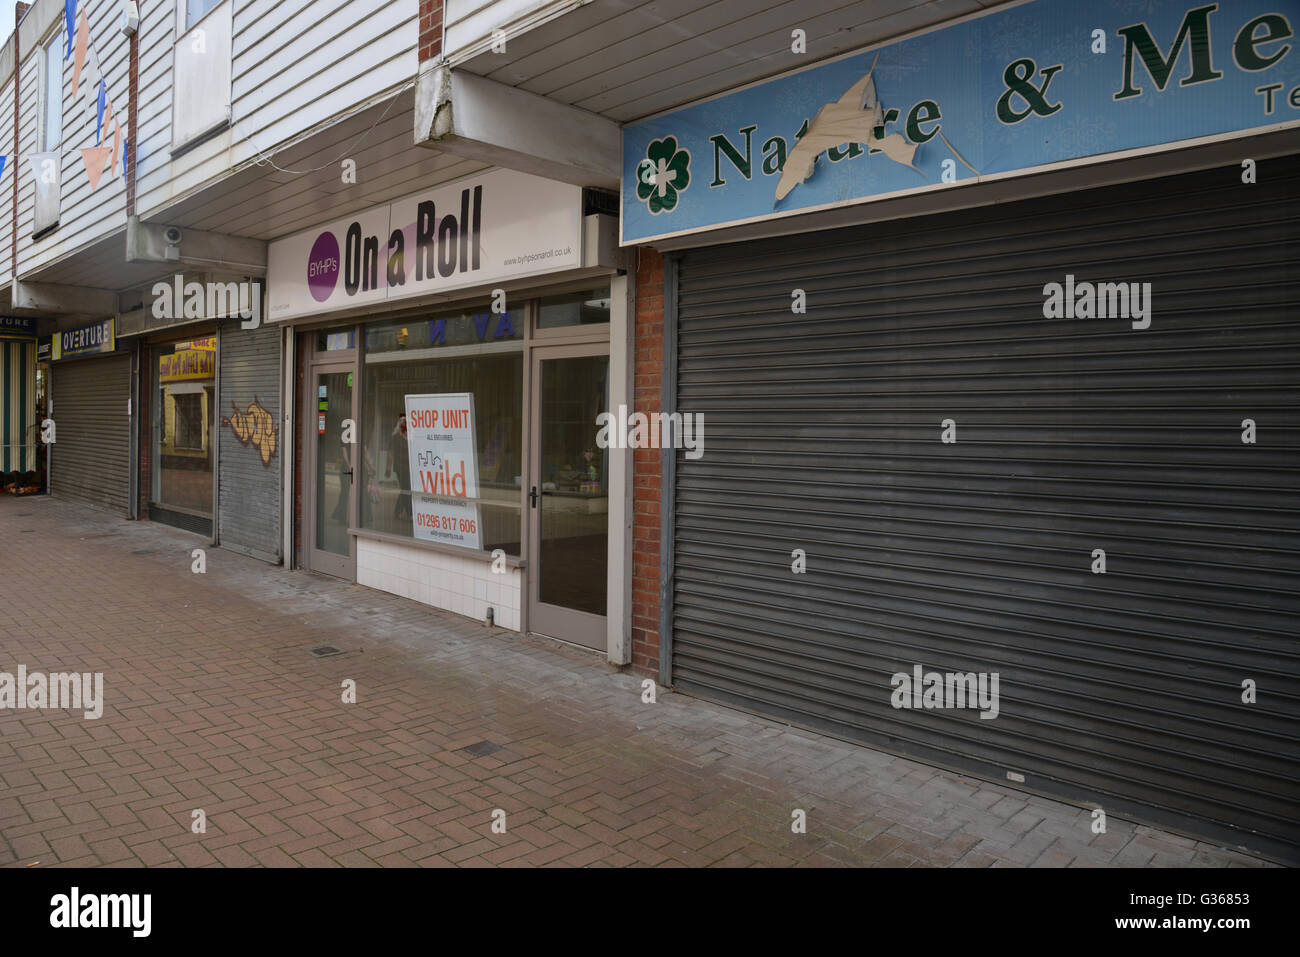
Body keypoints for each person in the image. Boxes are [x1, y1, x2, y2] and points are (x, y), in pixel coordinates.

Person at [388, 415, 412, 520]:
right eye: (403, 424)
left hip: (408, 467)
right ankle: (410, 513)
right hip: (400, 468)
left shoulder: (409, 437)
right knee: (406, 489)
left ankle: (397, 512)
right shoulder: (395, 437)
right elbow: (390, 453)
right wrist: (388, 468)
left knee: (405, 489)